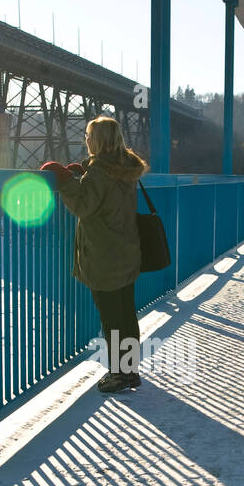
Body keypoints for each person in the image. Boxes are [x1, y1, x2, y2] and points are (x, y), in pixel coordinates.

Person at [41, 115, 149, 393]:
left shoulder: (101, 171)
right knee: (126, 315)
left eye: (89, 135)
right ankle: (130, 370)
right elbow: (104, 199)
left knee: (111, 318)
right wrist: (83, 175)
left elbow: (84, 204)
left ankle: (118, 374)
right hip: (125, 252)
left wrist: (65, 179)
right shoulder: (124, 168)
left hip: (104, 257)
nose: (85, 140)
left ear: (99, 140)